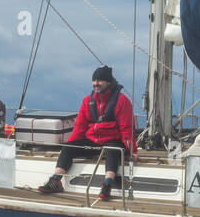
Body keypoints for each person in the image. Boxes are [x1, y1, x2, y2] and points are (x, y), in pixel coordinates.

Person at [38, 66, 137, 200]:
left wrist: (132, 151)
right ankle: (55, 180)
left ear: (108, 82)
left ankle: (107, 185)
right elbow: (79, 127)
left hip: (112, 140)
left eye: (100, 80)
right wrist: (70, 145)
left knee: (111, 149)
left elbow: (127, 128)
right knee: (68, 148)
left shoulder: (122, 101)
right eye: (94, 80)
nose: (96, 83)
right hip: (92, 141)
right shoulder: (87, 101)